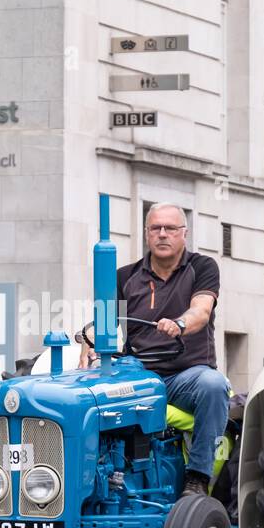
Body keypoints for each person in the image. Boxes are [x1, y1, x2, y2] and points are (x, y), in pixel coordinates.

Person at [78, 202, 228, 496]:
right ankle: (92, 479)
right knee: (88, 392)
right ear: (146, 234)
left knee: (213, 385)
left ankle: (197, 478)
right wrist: (88, 342)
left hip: (186, 376)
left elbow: (201, 311)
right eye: (156, 228)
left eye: (170, 228)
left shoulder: (202, 267)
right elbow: (104, 321)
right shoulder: (125, 276)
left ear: (184, 234)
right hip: (138, 377)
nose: (163, 234)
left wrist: (180, 324)